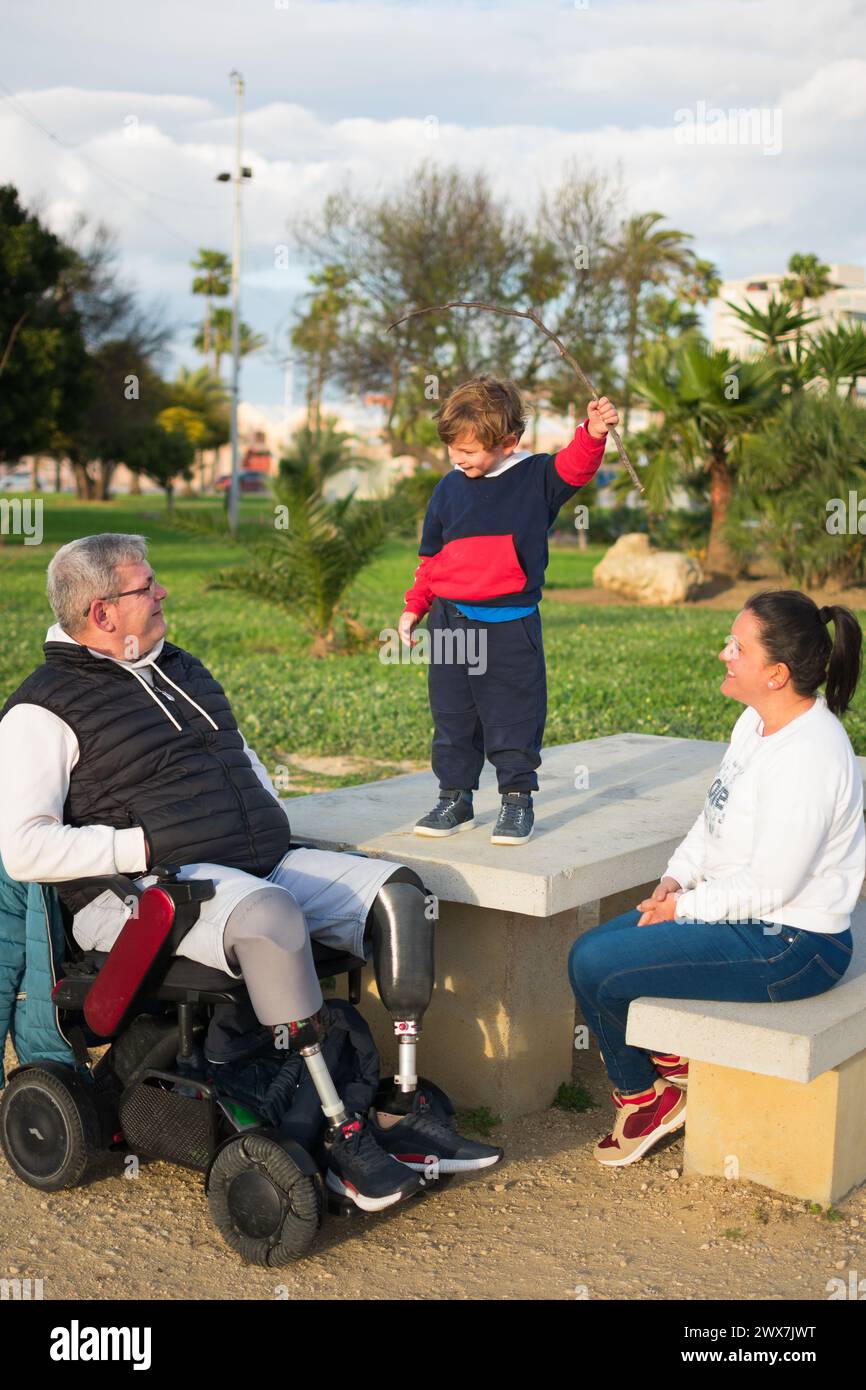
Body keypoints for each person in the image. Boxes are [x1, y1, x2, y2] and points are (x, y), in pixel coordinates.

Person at [0, 534, 502, 1212]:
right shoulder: (41, 709)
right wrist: (139, 848)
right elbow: (24, 849)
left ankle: (402, 1107)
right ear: (102, 612)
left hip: (253, 863)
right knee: (271, 918)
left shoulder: (181, 667)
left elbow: (245, 766)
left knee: (400, 897)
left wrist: (263, 825)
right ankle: (340, 1134)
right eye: (146, 585)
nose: (162, 591)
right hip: (143, 895)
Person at [568, 591, 865, 1167]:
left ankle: (643, 1098)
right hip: (737, 913)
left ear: (776, 674)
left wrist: (684, 910)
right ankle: (669, 1066)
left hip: (796, 944)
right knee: (594, 950)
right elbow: (715, 818)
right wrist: (677, 880)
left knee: (593, 963)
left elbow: (772, 886)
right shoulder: (755, 722)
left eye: (738, 646)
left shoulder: (811, 755)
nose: (723, 652)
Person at [399, 375, 617, 845]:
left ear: (508, 442)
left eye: (470, 451)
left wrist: (594, 432)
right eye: (452, 449)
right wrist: (415, 606)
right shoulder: (448, 489)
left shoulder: (535, 477)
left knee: (512, 715)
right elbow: (430, 559)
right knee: (453, 716)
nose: (458, 459)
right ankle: (454, 798)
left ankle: (517, 800)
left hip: (509, 627)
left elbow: (574, 467)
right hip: (451, 620)